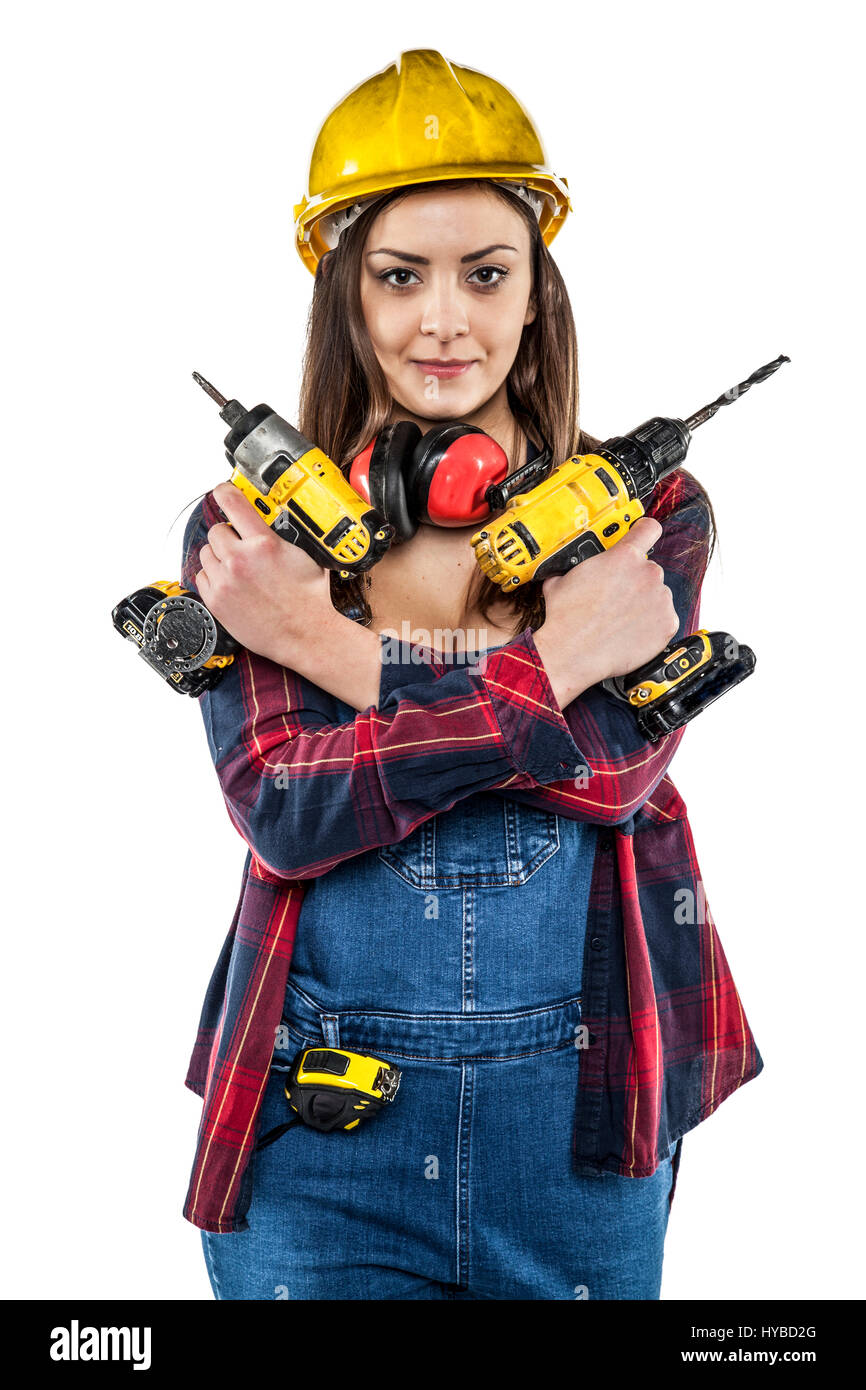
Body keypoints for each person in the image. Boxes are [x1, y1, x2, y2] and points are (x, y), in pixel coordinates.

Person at [179, 49, 763, 1301]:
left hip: (582, 1124)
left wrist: (327, 651)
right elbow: (283, 806)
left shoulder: (645, 509)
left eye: (484, 274)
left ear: (535, 295)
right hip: (315, 1139)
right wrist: (557, 662)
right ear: (346, 297)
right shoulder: (255, 534)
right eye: (399, 277)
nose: (443, 320)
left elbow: (609, 771)